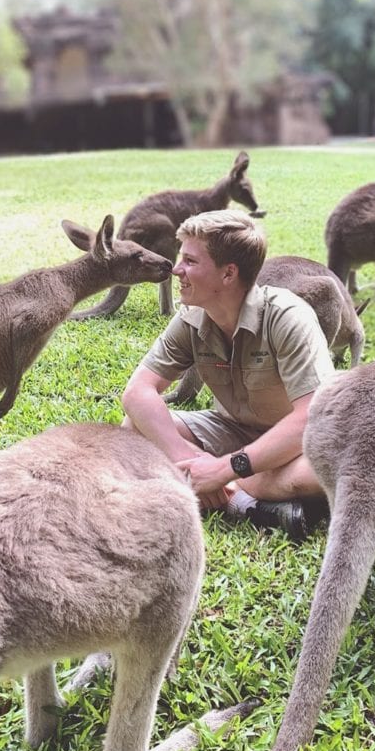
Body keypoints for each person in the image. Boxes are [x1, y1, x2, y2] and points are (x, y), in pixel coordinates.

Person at [121, 209, 336, 541]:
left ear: (228, 274)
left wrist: (221, 470)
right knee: (133, 429)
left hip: (295, 444)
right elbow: (138, 392)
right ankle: (247, 503)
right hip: (232, 430)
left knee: (322, 470)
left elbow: (311, 418)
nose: (177, 270)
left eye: (190, 262)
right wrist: (190, 461)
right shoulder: (192, 316)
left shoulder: (287, 317)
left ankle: (221, 491)